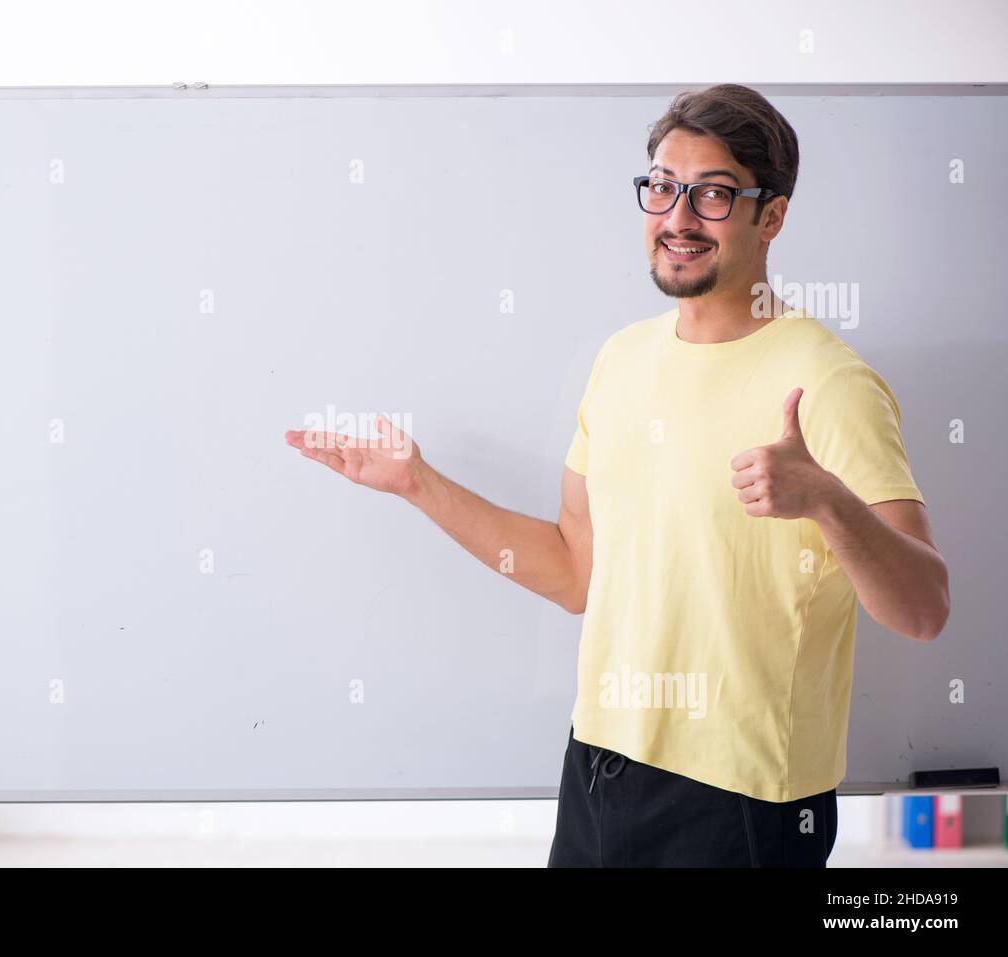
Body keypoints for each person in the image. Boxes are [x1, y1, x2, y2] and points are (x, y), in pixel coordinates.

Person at [284, 83, 950, 867]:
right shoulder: (622, 359)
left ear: (771, 216)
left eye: (712, 195)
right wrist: (417, 483)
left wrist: (828, 502)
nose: (677, 217)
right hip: (598, 768)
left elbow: (924, 610)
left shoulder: (829, 382)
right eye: (663, 187)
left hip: (742, 804)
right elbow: (576, 570)